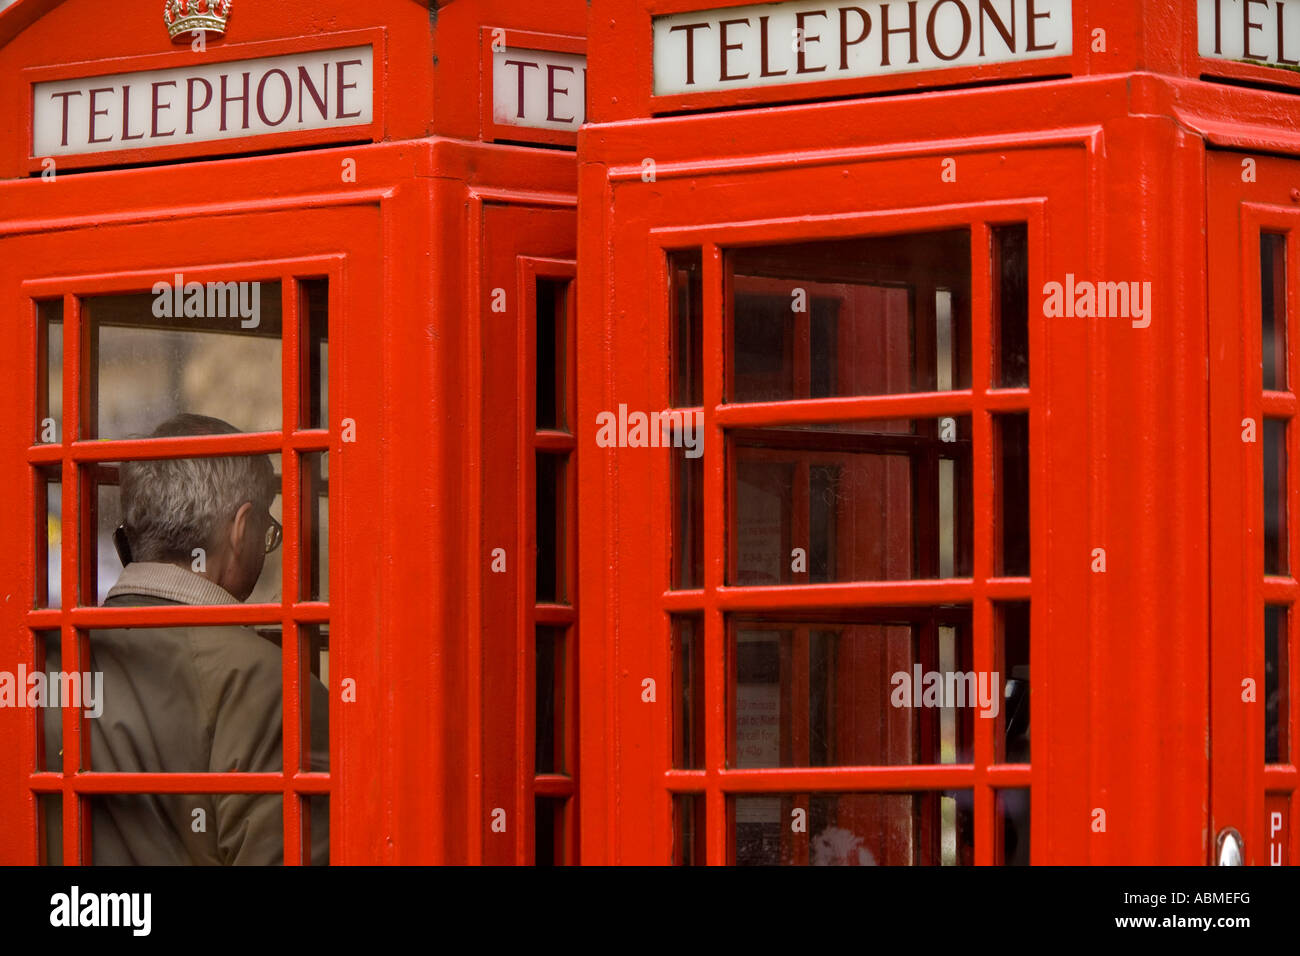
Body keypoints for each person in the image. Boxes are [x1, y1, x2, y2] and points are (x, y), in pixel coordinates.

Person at [45, 413, 329, 864]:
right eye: (267, 534)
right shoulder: (274, 686)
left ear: (127, 539)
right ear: (242, 531)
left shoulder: (43, 665)